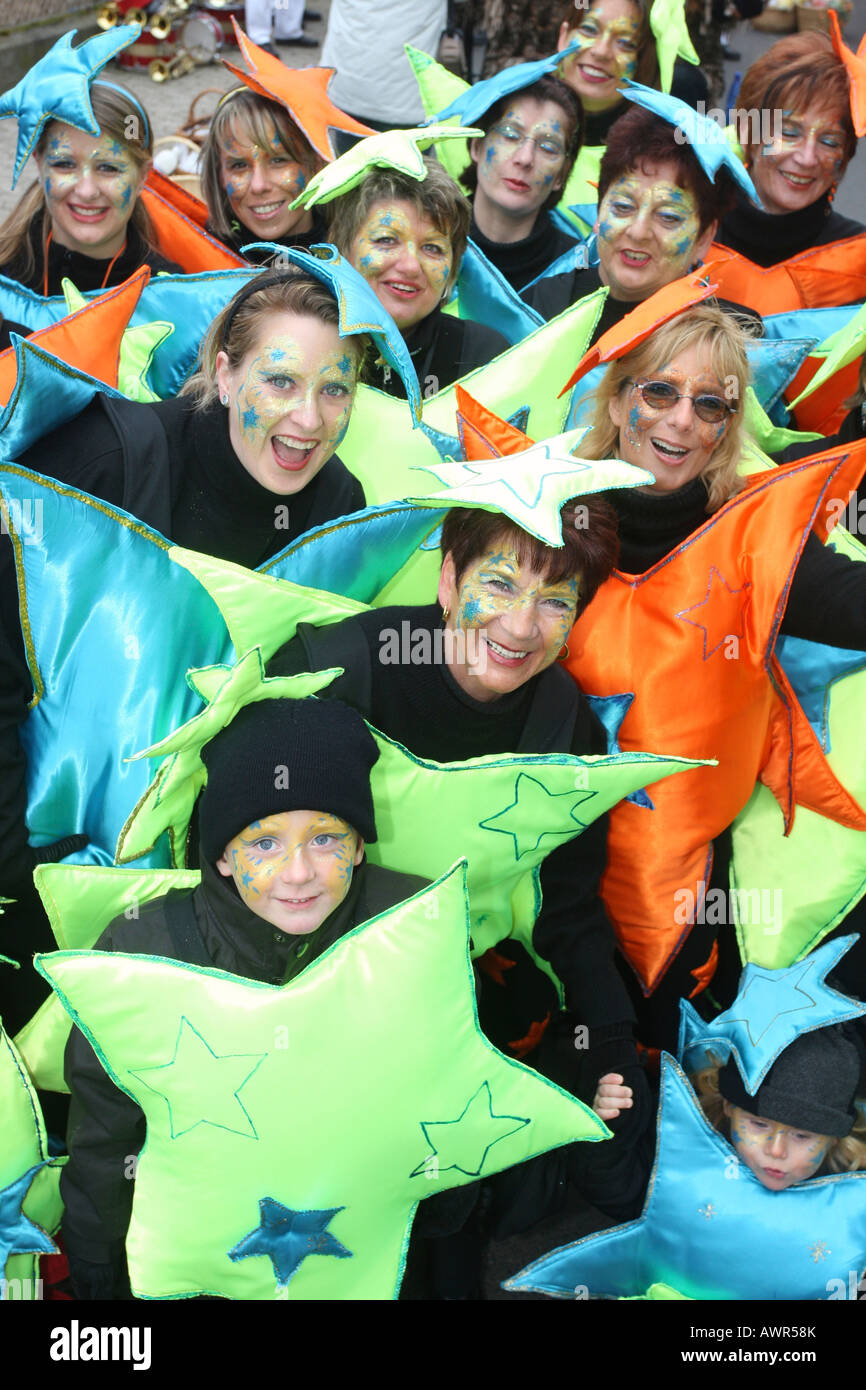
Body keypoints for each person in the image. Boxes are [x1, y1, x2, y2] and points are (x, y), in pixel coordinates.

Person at [0, 259, 408, 1037]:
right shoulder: (108, 461)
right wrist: (16, 868)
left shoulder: (338, 509)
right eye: (281, 382)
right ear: (224, 373)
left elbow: (301, 710)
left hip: (208, 912)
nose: (310, 419)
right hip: (40, 871)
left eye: (336, 389)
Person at [60, 696, 428, 1299]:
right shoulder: (143, 950)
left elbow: (444, 1084)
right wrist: (98, 1255)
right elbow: (105, 1126)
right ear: (223, 856)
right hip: (200, 1253)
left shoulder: (412, 924)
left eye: (326, 838)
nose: (298, 871)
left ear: (360, 845)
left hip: (356, 1245)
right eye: (263, 844)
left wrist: (442, 1218)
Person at [575, 304, 866, 1040]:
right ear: (617, 400)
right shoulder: (550, 514)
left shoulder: (754, 542)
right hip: (547, 870)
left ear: (727, 428)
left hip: (689, 887)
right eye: (659, 392)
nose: (679, 422)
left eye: (711, 404)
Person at [524, 104, 743, 335]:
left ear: (704, 238)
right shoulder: (535, 309)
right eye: (623, 207)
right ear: (599, 212)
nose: (638, 232)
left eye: (668, 217)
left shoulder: (729, 339)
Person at [0, 80, 179, 347]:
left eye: (108, 168)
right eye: (64, 164)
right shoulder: (6, 277)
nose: (86, 191)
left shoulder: (170, 298)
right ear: (39, 164)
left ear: (143, 175)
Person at [325, 159, 509, 397]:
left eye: (432, 248)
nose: (411, 266)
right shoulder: (300, 338)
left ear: (453, 269)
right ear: (340, 249)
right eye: (386, 240)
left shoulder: (485, 357)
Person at [716, 32, 863, 273]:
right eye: (789, 133)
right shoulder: (688, 231)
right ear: (746, 129)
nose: (807, 158)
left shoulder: (857, 258)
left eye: (829, 141)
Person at [461, 74, 585, 292]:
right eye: (510, 135)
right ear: (476, 146)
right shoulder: (431, 240)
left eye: (548, 147)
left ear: (562, 174)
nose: (525, 158)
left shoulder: (578, 270)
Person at [199, 87, 326, 260]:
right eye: (239, 165)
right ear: (219, 174)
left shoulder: (355, 250)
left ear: (316, 163)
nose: (259, 185)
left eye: (278, 160)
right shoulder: (202, 257)